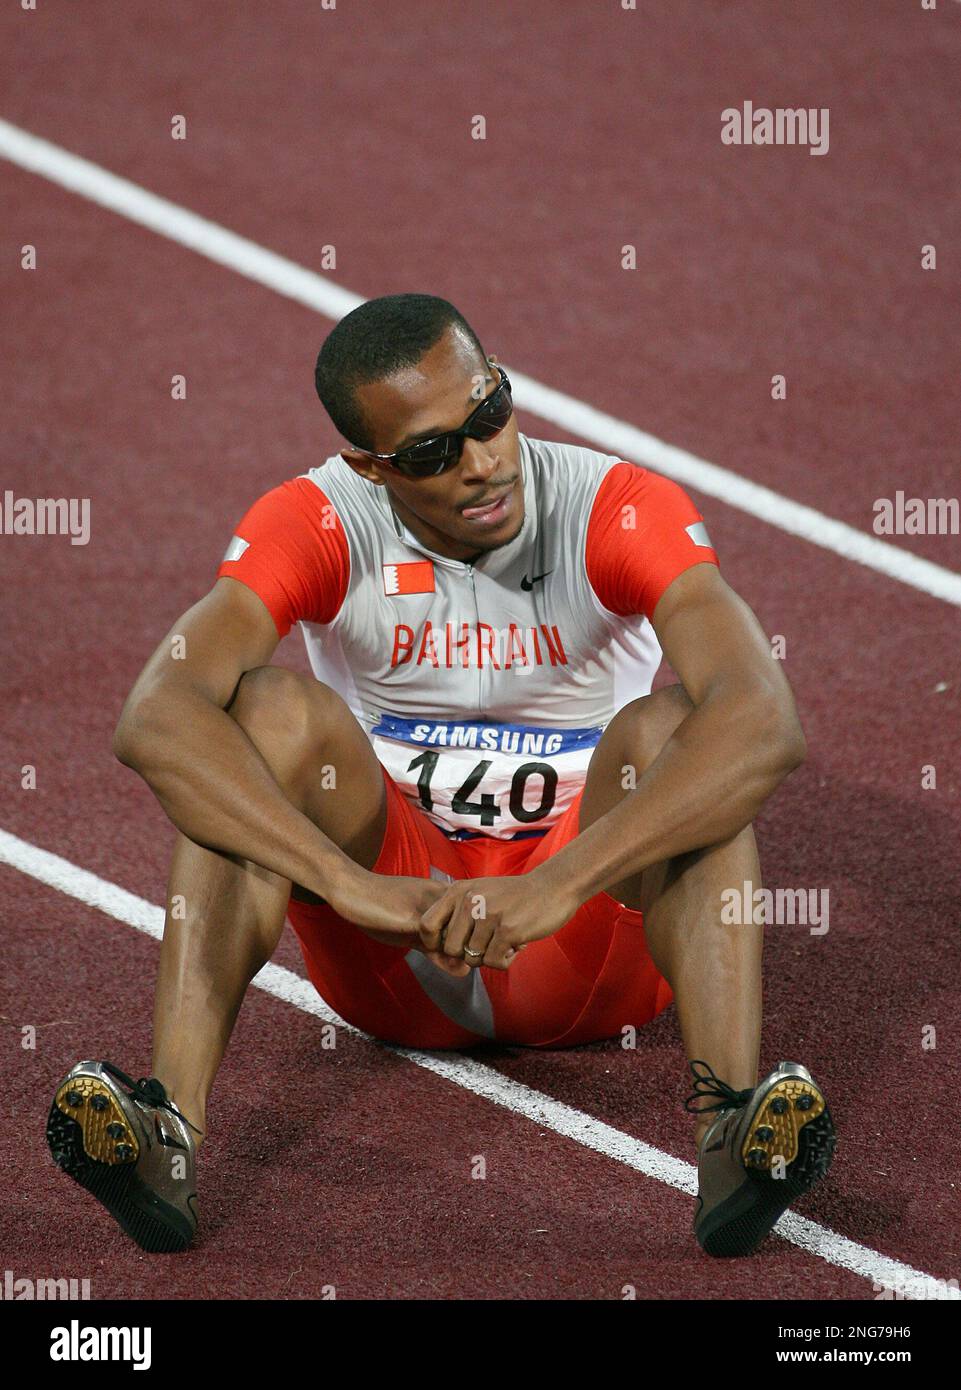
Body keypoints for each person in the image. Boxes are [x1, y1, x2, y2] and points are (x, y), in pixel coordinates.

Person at [46, 294, 835, 1260]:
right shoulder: (317, 521)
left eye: (489, 413)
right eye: (431, 454)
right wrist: (344, 883)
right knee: (262, 718)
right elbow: (154, 718)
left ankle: (729, 1134)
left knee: (681, 729)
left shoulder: (615, 506)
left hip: (586, 938)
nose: (483, 462)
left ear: (500, 381)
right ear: (370, 467)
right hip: (392, 939)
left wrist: (559, 883)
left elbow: (766, 721)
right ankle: (167, 1130)